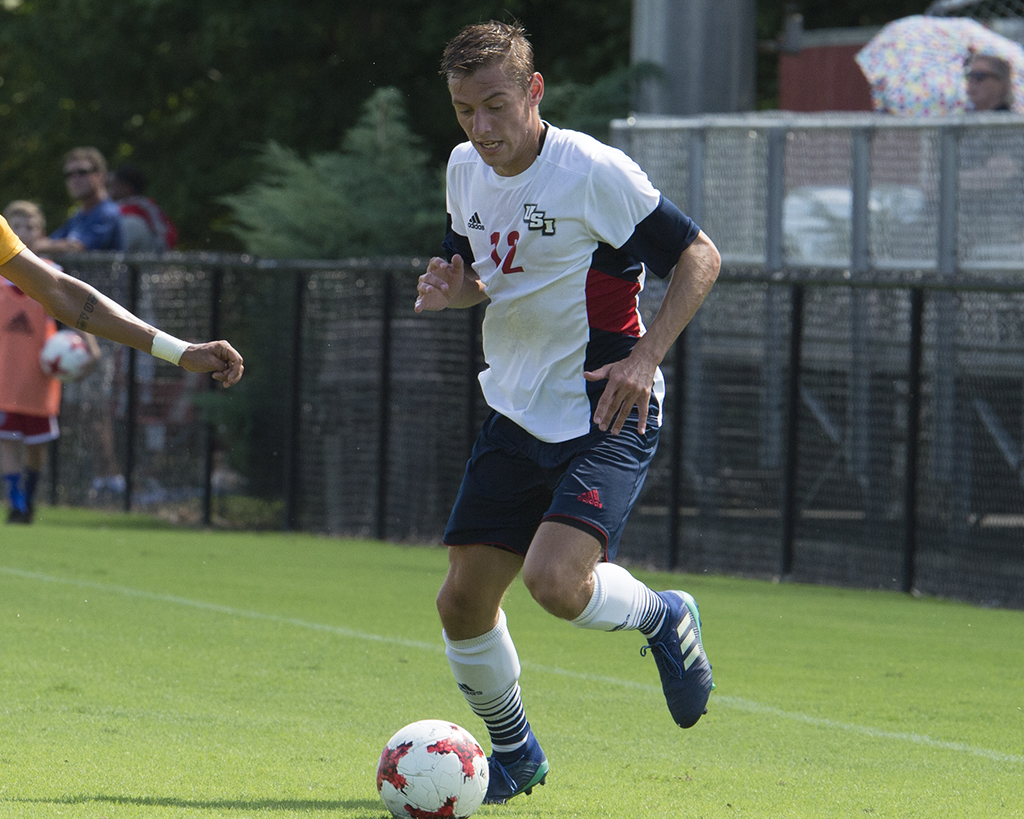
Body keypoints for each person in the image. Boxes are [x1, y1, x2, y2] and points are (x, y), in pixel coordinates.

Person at [414, 21, 721, 805]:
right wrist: (454, 290)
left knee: (554, 580)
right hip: (517, 410)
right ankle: (515, 752)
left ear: (534, 91)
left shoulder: (590, 170)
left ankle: (662, 615)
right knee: (460, 600)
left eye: (496, 105)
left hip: (606, 401)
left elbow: (700, 256)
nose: (481, 128)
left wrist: (646, 357)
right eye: (464, 110)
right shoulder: (463, 168)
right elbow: (481, 273)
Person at [0, 200, 102, 523]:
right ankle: (16, 504)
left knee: (36, 447)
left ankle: (29, 497)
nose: (24, 232)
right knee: (6, 441)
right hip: (4, 378)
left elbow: (73, 311)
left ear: (41, 232)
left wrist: (90, 347)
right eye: (16, 226)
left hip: (39, 379)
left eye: (30, 227)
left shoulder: (51, 272)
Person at [32, 147, 123, 253]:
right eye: (69, 174)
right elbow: (47, 241)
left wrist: (41, 246)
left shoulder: (107, 212)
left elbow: (77, 247)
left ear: (101, 175)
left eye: (82, 172)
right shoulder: (79, 215)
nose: (75, 179)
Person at [107, 164, 179, 252]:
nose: (109, 191)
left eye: (113, 186)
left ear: (126, 188)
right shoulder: (147, 205)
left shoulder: (134, 207)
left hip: (152, 253)